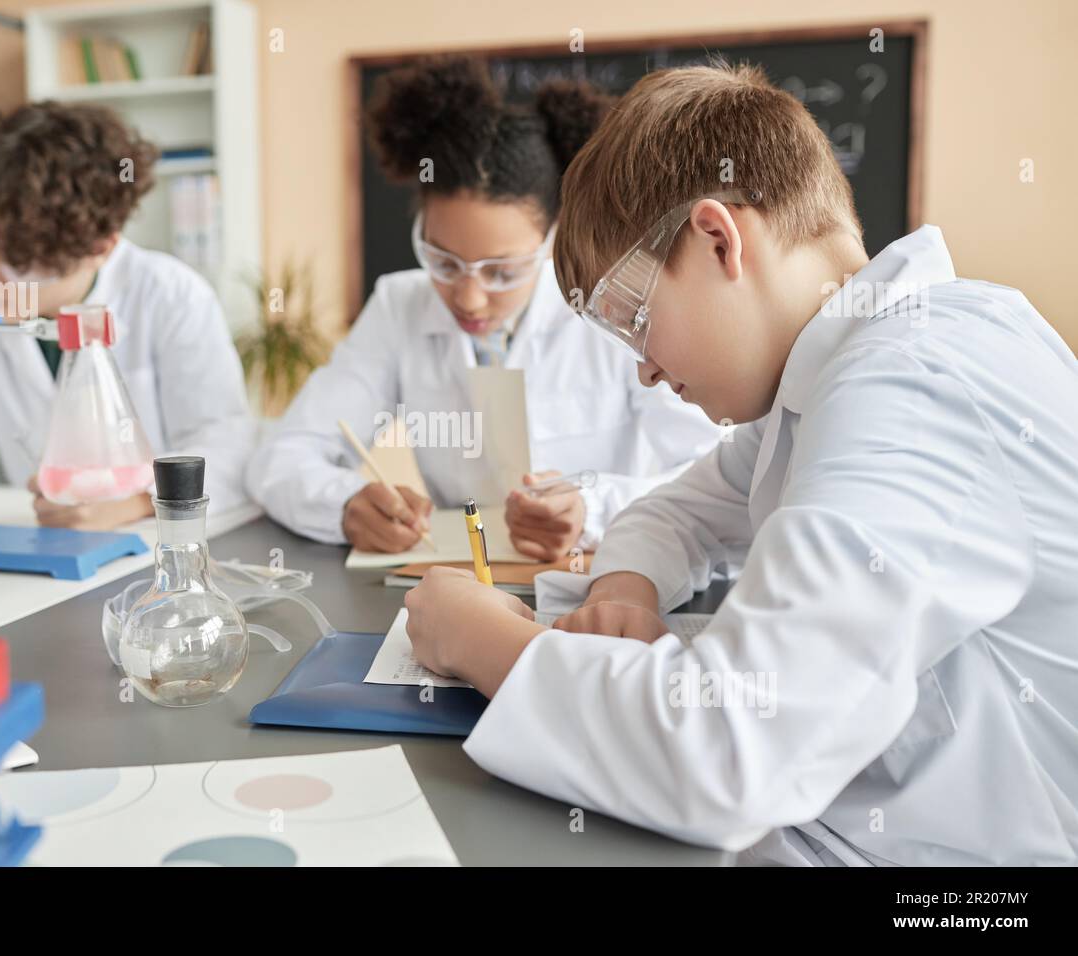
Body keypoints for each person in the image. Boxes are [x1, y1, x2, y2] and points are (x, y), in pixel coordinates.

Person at [404, 63, 1078, 865]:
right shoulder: (835, 375)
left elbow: (729, 751)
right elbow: (676, 510)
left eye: (635, 318)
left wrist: (484, 644)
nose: (645, 370)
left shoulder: (916, 384)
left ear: (720, 238)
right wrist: (625, 587)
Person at [247, 56, 717, 560]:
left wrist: (594, 508)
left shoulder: (612, 313)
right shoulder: (399, 306)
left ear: (552, 238)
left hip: (601, 578)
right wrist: (343, 504)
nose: (468, 299)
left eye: (502, 272)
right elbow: (281, 458)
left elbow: (714, 477)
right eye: (443, 262)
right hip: (458, 584)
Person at [0, 102, 255, 530]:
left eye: (13, 262)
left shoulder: (170, 295)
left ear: (100, 247)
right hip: (45, 560)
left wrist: (139, 501)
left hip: (159, 552)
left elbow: (229, 446)